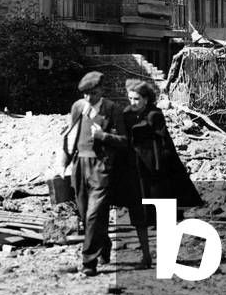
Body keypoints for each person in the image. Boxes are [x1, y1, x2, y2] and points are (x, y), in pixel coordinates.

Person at [123, 79, 201, 267]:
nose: (133, 102)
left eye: (137, 99)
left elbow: (164, 143)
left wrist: (162, 167)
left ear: (146, 99)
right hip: (136, 171)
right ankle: (146, 256)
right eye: (130, 98)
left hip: (156, 171)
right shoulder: (126, 115)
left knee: (163, 214)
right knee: (139, 215)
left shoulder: (154, 115)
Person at [66, 71, 132, 276]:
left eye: (93, 94)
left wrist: (103, 136)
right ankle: (104, 243)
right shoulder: (78, 107)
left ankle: (88, 262)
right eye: (85, 94)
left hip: (101, 167)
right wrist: (64, 164)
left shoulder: (112, 109)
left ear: (101, 91)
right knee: (85, 214)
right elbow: (70, 135)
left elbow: (125, 141)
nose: (88, 98)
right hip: (80, 164)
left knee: (95, 214)